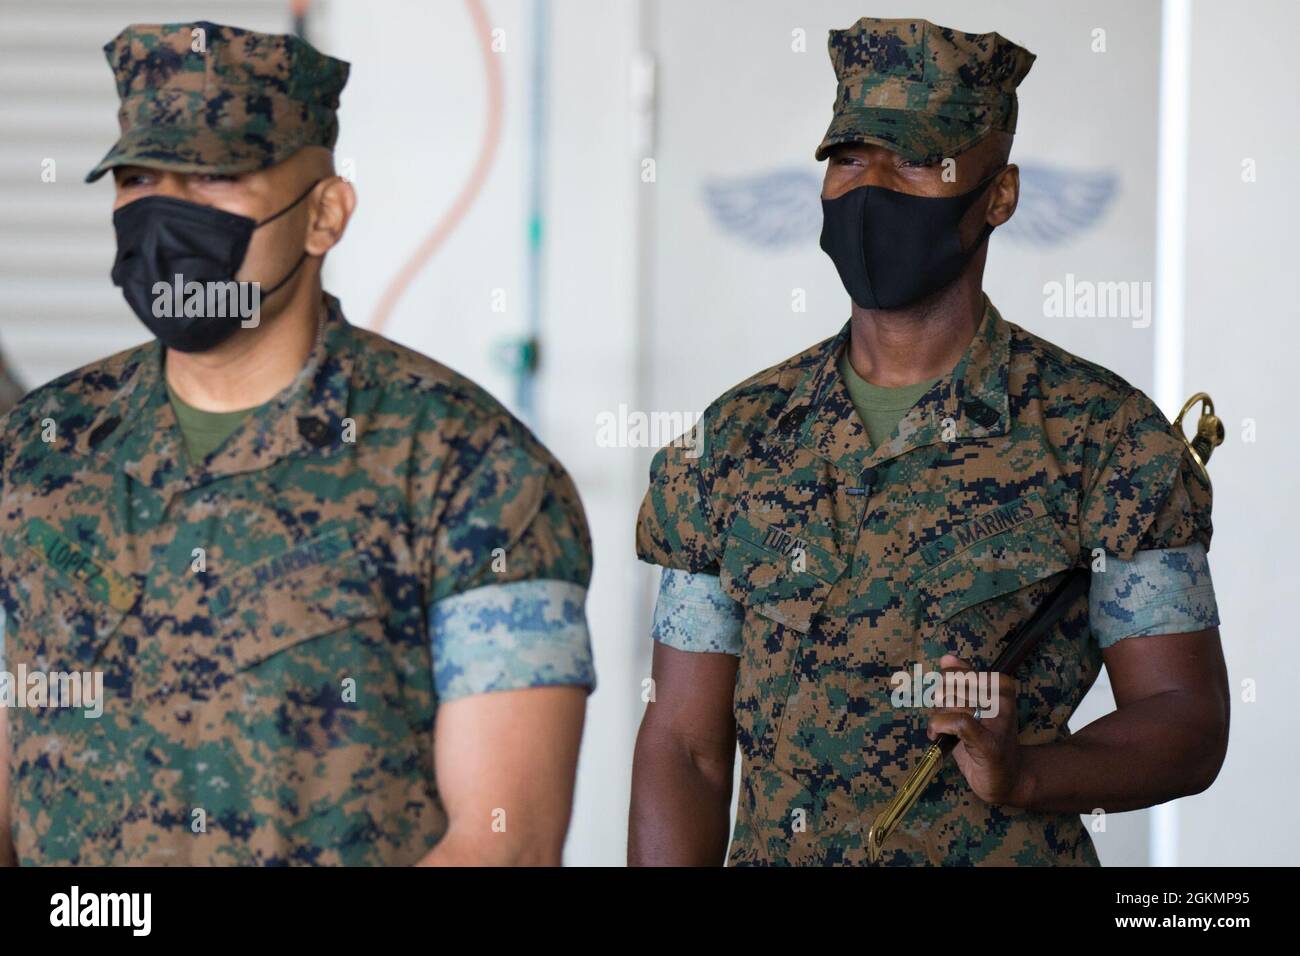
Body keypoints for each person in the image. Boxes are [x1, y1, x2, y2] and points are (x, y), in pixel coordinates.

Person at [629, 16, 1228, 866]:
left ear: (999, 194)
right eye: (849, 158)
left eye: (918, 161)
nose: (873, 187)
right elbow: (683, 747)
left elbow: (1186, 721)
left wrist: (1029, 775)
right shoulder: (730, 443)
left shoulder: (1105, 441)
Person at [0, 20, 595, 866]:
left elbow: (505, 843)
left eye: (216, 179)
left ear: (324, 214)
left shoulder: (471, 470)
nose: (168, 217)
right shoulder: (34, 454)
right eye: (139, 178)